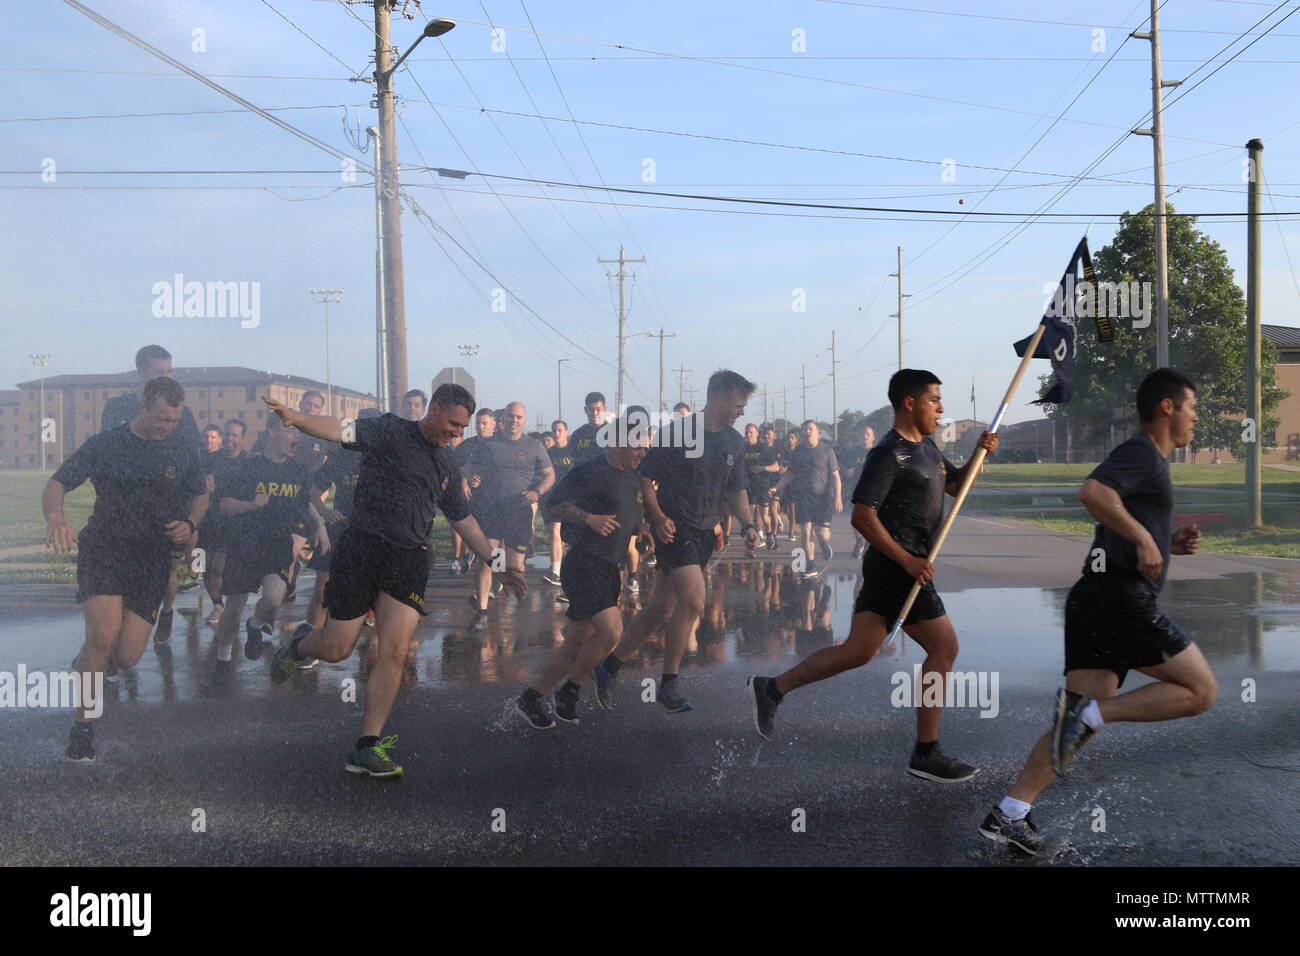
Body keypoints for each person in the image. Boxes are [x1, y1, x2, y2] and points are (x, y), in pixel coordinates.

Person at [978, 369, 1214, 856]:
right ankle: (1095, 714)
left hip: (1094, 598)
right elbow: (1092, 493)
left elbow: (1116, 524)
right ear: (1167, 407)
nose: (1197, 415)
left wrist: (1164, 544)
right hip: (1119, 600)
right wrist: (1147, 539)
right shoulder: (1142, 451)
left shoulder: (1148, 459)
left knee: (1072, 730)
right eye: (1192, 406)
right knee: (1200, 690)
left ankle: (1010, 813)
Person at [747, 369, 999, 783]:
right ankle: (926, 751)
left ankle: (771, 689)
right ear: (909, 403)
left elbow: (955, 485)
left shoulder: (928, 448)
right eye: (934, 399)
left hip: (903, 566)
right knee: (945, 647)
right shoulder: (889, 453)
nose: (941, 407)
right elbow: (862, 516)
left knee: (859, 651)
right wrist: (907, 561)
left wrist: (979, 455)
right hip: (900, 566)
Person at [266, 384, 526, 777]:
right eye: (453, 423)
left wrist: (497, 560)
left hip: (410, 559)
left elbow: (462, 519)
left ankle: (367, 745)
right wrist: (296, 418)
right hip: (362, 549)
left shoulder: (448, 464)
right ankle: (301, 644)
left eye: (463, 428)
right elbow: (341, 429)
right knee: (336, 648)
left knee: (395, 651)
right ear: (434, 409)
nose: (456, 433)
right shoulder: (390, 431)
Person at [48, 377, 208, 760]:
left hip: (151, 558)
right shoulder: (106, 444)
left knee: (125, 657)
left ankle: (87, 661)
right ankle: (83, 728)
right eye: (162, 419)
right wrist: (56, 518)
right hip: (105, 548)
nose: (167, 427)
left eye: (174, 420)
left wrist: (190, 524)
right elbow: (57, 483)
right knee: (102, 636)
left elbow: (200, 494)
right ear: (143, 406)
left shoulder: (183, 448)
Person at [595, 370, 759, 713]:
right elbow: (646, 477)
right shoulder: (679, 434)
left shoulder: (733, 441)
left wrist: (749, 524)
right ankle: (668, 684)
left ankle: (609, 666)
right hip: (674, 528)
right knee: (695, 601)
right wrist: (656, 516)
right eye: (737, 404)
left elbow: (736, 488)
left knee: (661, 608)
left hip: (703, 532)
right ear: (716, 398)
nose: (741, 412)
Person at [516, 411, 651, 728]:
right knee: (612, 632)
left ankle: (532, 698)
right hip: (584, 563)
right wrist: (589, 519)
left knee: (577, 642)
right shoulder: (589, 472)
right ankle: (571, 692)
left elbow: (626, 518)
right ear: (617, 443)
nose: (643, 453)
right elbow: (553, 506)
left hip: (608, 566)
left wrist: (641, 529)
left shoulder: (632, 477)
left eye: (645, 447)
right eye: (637, 447)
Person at [214, 413, 327, 663]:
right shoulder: (247, 468)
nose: (297, 436)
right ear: (271, 433)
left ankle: (255, 627)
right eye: (290, 431)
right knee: (233, 609)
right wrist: (251, 505)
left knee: (274, 600)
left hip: (277, 544)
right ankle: (223, 658)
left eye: (297, 432)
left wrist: (320, 525)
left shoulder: (297, 470)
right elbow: (224, 504)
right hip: (244, 544)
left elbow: (306, 503)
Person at [462, 402, 554, 629]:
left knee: (514, 568)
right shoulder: (489, 444)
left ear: (524, 420)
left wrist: (537, 491)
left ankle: (517, 592)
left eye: (519, 417)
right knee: (489, 560)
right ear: (503, 419)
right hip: (491, 509)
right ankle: (482, 610)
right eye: (511, 416)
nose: (514, 420)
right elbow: (469, 466)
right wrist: (469, 478)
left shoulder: (533, 446)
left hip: (518, 510)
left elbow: (549, 474)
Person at [306, 407, 383, 631]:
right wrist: (325, 511)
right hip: (341, 526)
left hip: (374, 529)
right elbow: (313, 490)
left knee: (375, 585)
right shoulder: (343, 455)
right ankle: (309, 638)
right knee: (323, 586)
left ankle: (374, 643)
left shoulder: (388, 457)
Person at [775, 420, 842, 577]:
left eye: (811, 429)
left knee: (821, 532)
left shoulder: (826, 451)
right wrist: (777, 486)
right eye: (805, 429)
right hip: (803, 497)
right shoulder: (797, 452)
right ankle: (810, 566)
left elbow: (836, 476)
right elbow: (790, 474)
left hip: (822, 497)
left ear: (818, 432)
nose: (807, 432)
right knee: (805, 532)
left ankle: (823, 542)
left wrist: (837, 496)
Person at [200, 419, 249, 625]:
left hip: (235, 523)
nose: (230, 438)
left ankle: (231, 607)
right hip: (209, 519)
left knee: (220, 566)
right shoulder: (211, 459)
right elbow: (202, 486)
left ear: (242, 438)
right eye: (227, 434)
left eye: (234, 435)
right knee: (204, 565)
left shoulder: (249, 461)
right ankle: (218, 606)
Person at [452, 408, 498, 576]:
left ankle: (499, 577)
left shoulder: (500, 443)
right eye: (478, 423)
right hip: (475, 499)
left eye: (485, 423)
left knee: (497, 541)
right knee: (477, 537)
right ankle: (473, 564)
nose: (481, 426)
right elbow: (454, 465)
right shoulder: (468, 445)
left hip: (497, 499)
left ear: (493, 424)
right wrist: (465, 477)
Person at [543, 419, 575, 587]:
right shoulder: (549, 453)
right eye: (554, 430)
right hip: (556, 497)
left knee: (569, 536)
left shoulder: (574, 451)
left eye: (560, 430)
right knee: (555, 531)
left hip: (574, 499)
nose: (556, 433)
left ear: (566, 432)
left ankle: (570, 568)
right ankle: (556, 571)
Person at [741, 423, 781, 551]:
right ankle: (751, 541)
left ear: (757, 434)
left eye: (751, 432)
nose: (748, 435)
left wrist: (762, 468)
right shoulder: (741, 448)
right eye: (746, 432)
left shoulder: (763, 448)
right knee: (748, 514)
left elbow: (776, 467)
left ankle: (769, 533)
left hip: (762, 485)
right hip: (747, 486)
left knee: (764, 517)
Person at [843, 425, 878, 558]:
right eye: (863, 433)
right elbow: (844, 466)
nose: (865, 436)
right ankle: (859, 542)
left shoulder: (877, 451)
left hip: (874, 490)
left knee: (873, 518)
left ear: (873, 437)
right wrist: (847, 471)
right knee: (856, 518)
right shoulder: (853, 452)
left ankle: (872, 543)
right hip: (856, 488)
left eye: (868, 434)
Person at [568, 392, 608, 464]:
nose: (595, 413)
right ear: (585, 410)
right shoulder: (578, 435)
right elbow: (571, 460)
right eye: (591, 409)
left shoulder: (614, 433)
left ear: (605, 409)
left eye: (598, 409)